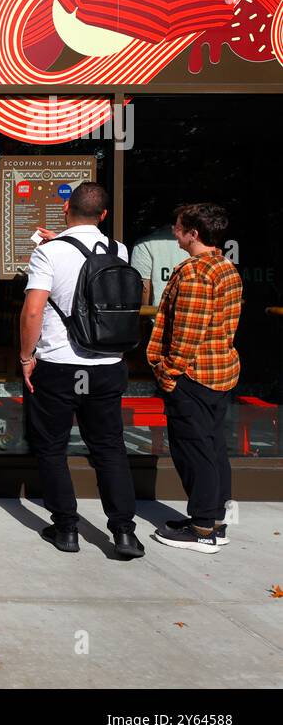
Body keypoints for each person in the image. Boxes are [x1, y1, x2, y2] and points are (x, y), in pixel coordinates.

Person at [20, 182, 143, 559]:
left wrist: (27, 357)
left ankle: (67, 528)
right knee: (109, 448)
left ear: (66, 208)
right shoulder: (118, 250)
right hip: (107, 365)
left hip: (58, 365)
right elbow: (88, 262)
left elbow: (33, 310)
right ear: (104, 215)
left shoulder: (49, 253)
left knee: (52, 447)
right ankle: (123, 532)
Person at [147, 203, 243, 554]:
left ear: (193, 234)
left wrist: (168, 373)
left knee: (195, 452)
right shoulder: (225, 266)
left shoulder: (195, 273)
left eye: (177, 227)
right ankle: (214, 522)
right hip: (219, 371)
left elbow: (187, 335)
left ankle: (202, 529)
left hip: (194, 375)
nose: (174, 232)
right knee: (213, 447)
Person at [131, 225, 187, 307]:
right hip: (189, 313)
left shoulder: (144, 244)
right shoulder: (194, 242)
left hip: (157, 314)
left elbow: (144, 289)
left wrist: (145, 315)